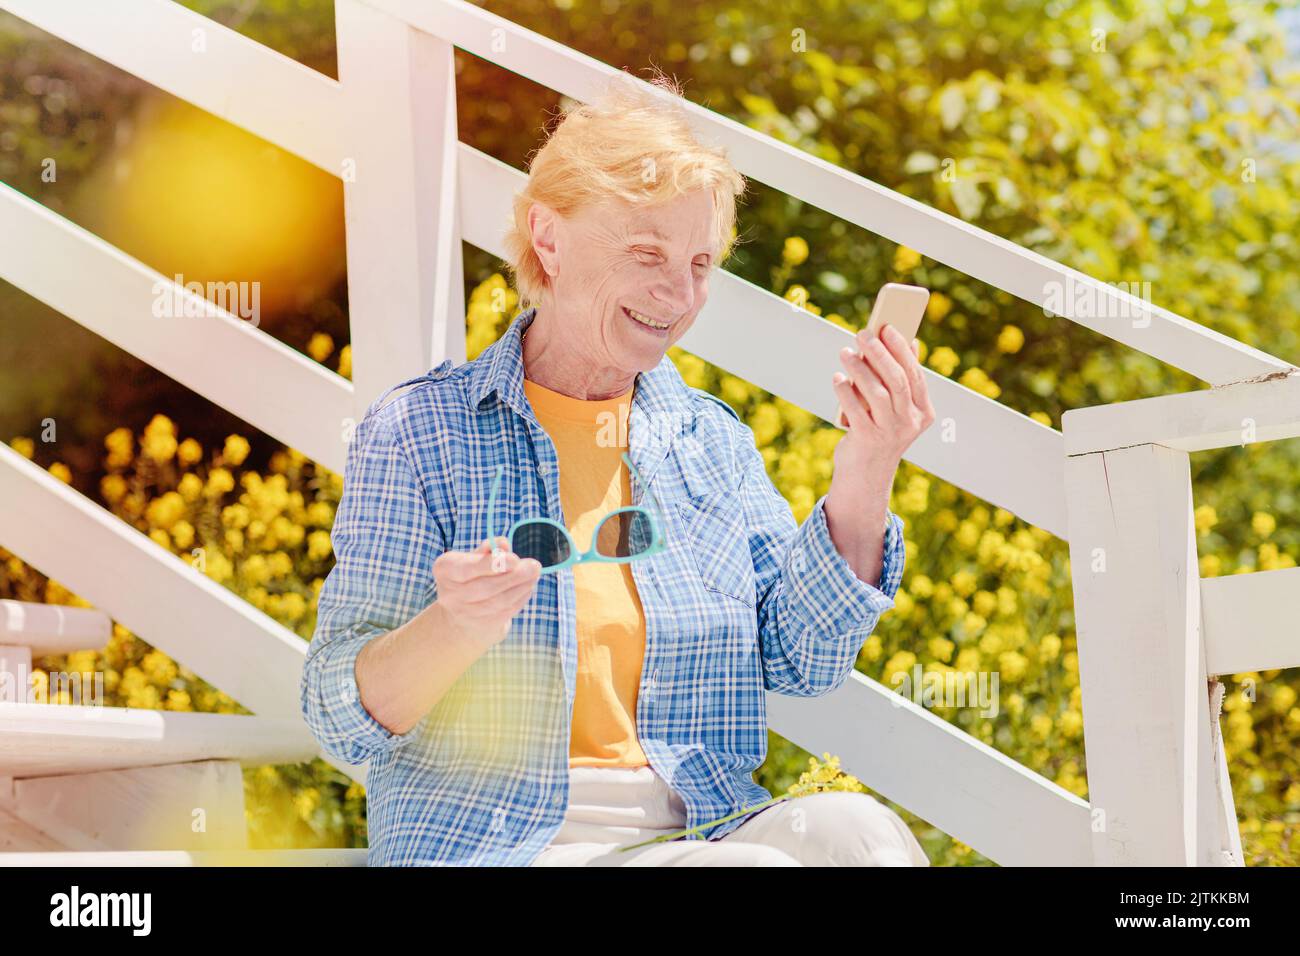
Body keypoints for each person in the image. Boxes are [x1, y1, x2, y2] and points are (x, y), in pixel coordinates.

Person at [301, 70, 935, 866]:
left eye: (702, 264)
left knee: (860, 834)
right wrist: (453, 628)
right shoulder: (422, 432)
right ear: (550, 238)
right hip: (499, 846)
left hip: (697, 828)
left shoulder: (708, 442)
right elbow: (335, 710)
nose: (677, 293)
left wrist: (867, 466)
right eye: (647, 254)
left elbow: (797, 657)